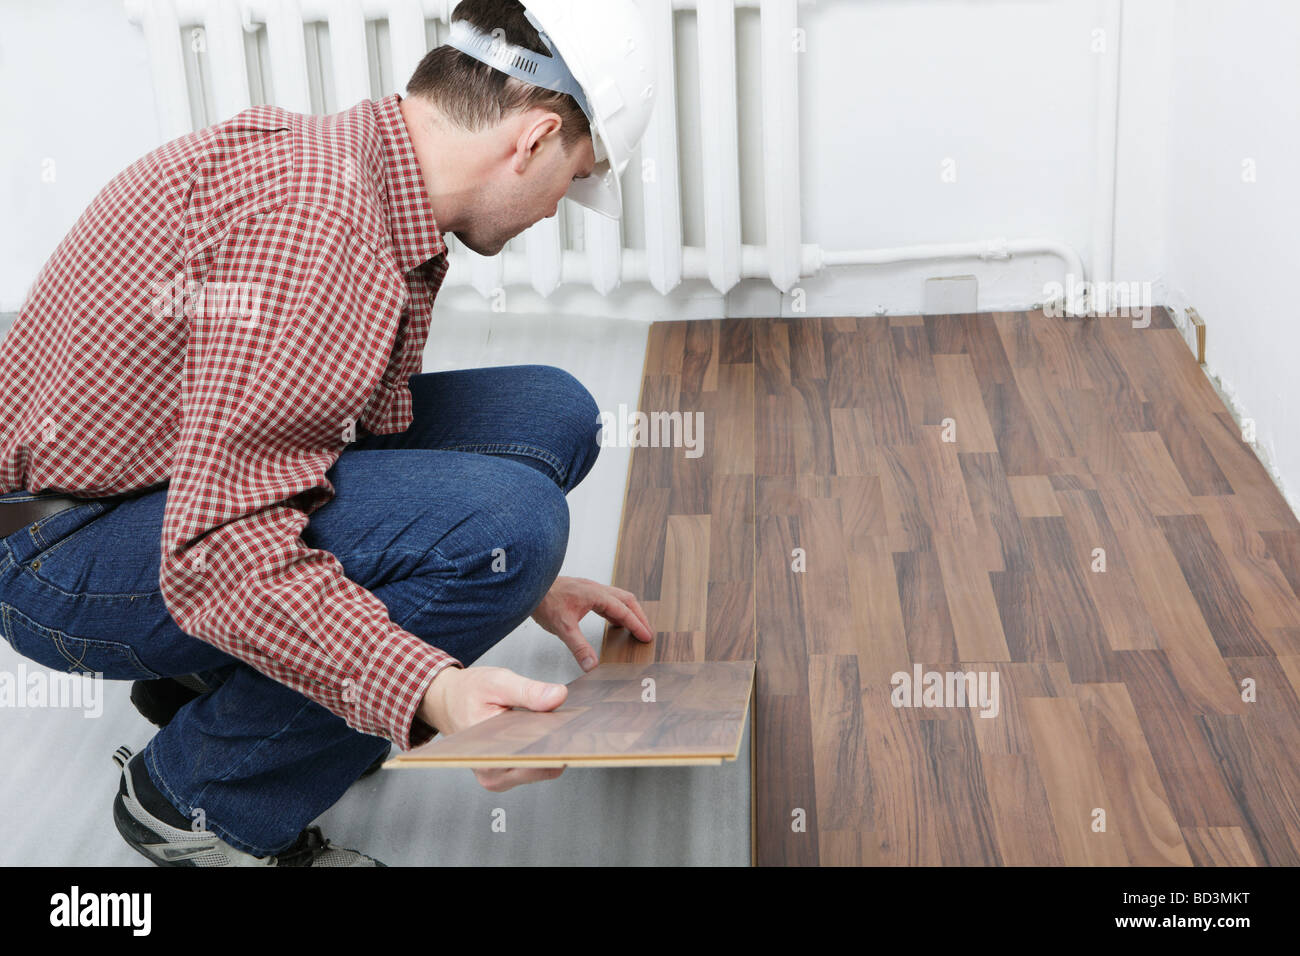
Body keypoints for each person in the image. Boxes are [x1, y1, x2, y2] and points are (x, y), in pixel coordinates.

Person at [0, 0, 656, 866]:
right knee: (513, 522)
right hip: (62, 551)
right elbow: (219, 552)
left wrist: (519, 581)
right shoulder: (318, 229)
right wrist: (434, 689)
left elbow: (328, 421)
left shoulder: (360, 167)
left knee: (551, 418)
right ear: (533, 139)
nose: (558, 205)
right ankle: (199, 799)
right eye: (574, 177)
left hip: (155, 481)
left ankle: (218, 679)